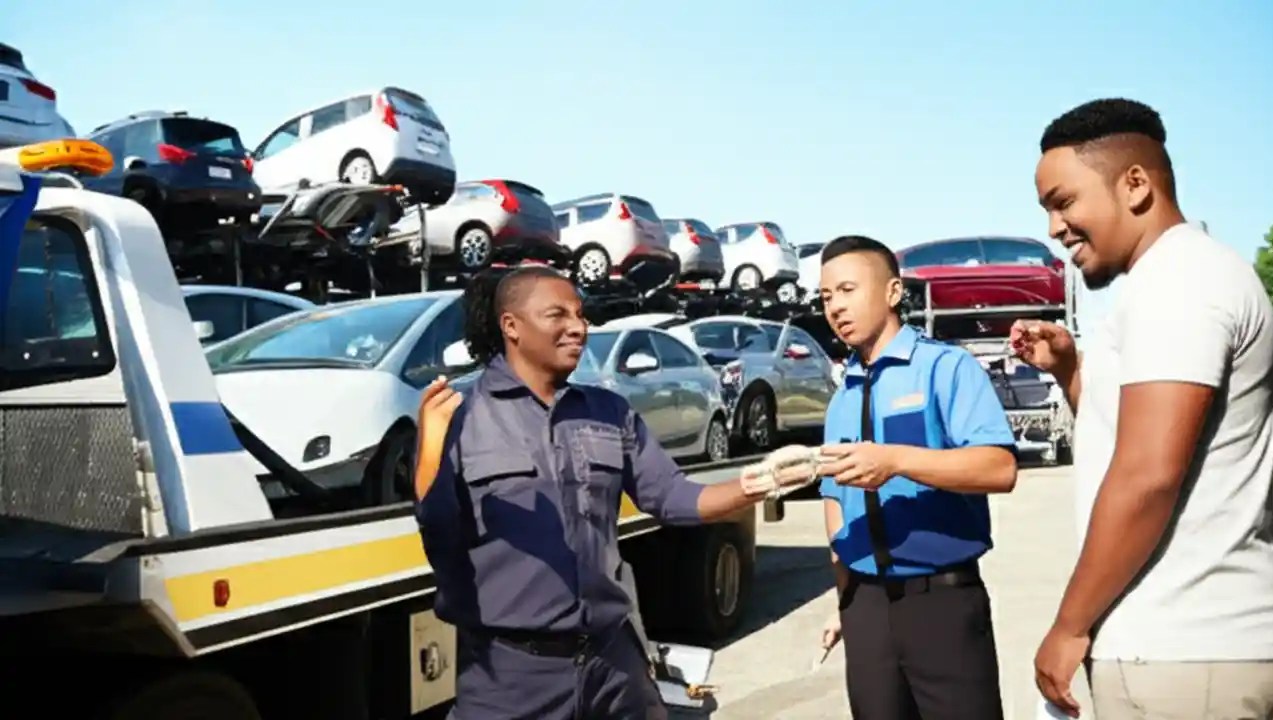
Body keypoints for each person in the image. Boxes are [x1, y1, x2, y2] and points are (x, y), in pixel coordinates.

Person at [412, 264, 806, 720]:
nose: (578, 328)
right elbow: (438, 532)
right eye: (557, 315)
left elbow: (673, 498)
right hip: (511, 674)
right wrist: (430, 451)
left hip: (613, 663)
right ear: (511, 326)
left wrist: (760, 482)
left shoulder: (608, 411)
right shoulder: (459, 415)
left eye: (580, 315)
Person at [1015, 97, 1273, 719]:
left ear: (1135, 184)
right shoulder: (1174, 281)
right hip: (1184, 653)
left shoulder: (1180, 282)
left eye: (1064, 201)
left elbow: (1147, 475)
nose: (1055, 228)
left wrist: (1069, 625)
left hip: (1185, 653)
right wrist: (1072, 372)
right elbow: (1133, 443)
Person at [812, 235, 1019, 720]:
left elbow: (999, 467)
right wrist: (843, 597)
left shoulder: (945, 368)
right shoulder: (843, 393)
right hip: (865, 607)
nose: (836, 307)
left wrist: (897, 460)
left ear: (892, 292)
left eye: (847, 289)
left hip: (940, 603)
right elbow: (834, 501)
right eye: (826, 297)